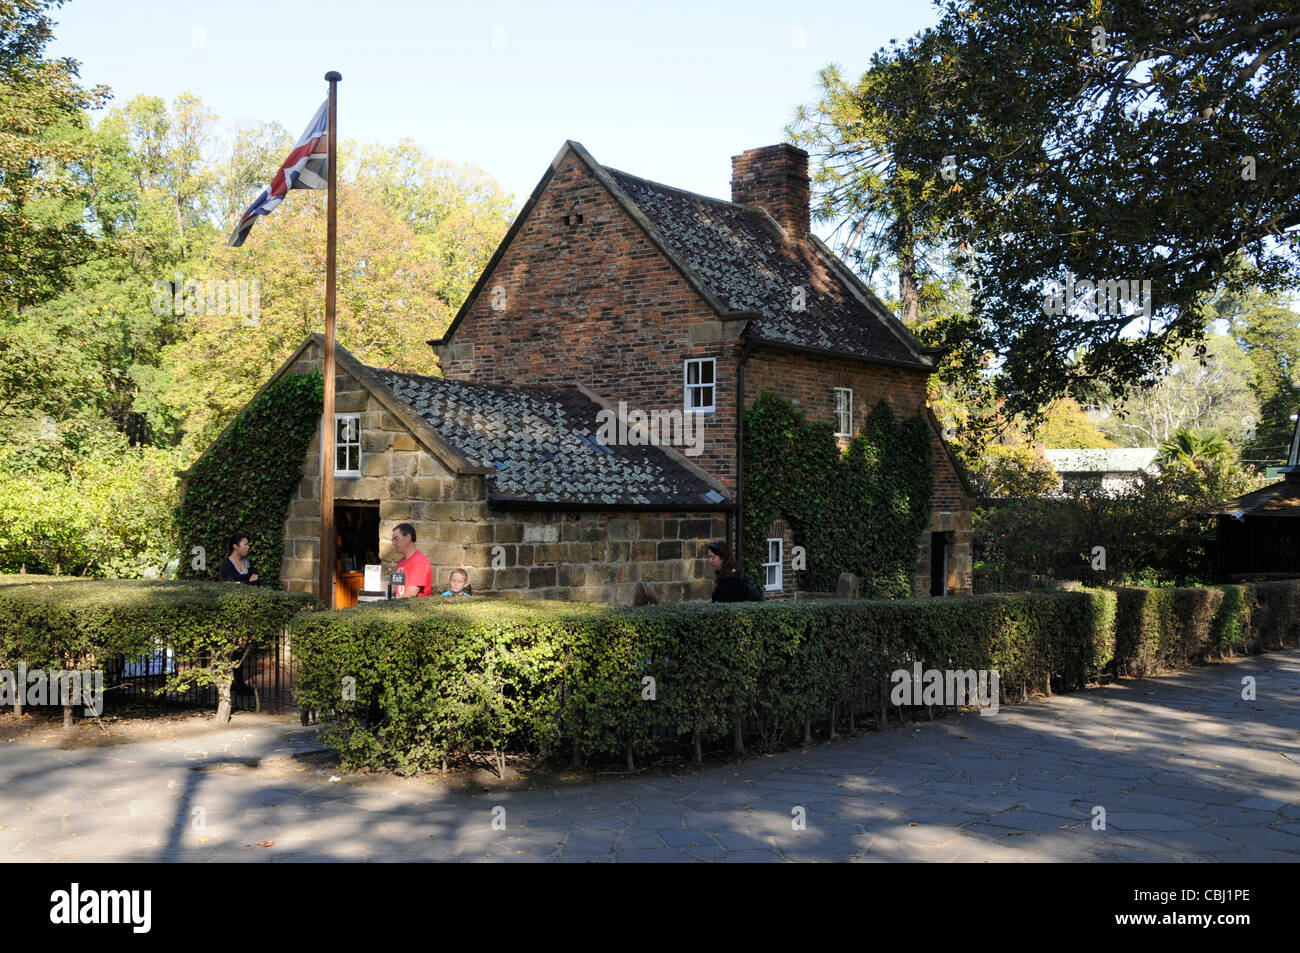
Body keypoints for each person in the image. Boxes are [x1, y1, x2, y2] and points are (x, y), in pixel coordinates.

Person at [390, 522, 433, 597]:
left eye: (396, 539)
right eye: (393, 540)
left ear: (408, 537)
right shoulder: (401, 561)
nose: (393, 543)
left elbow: (410, 594)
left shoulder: (419, 562)